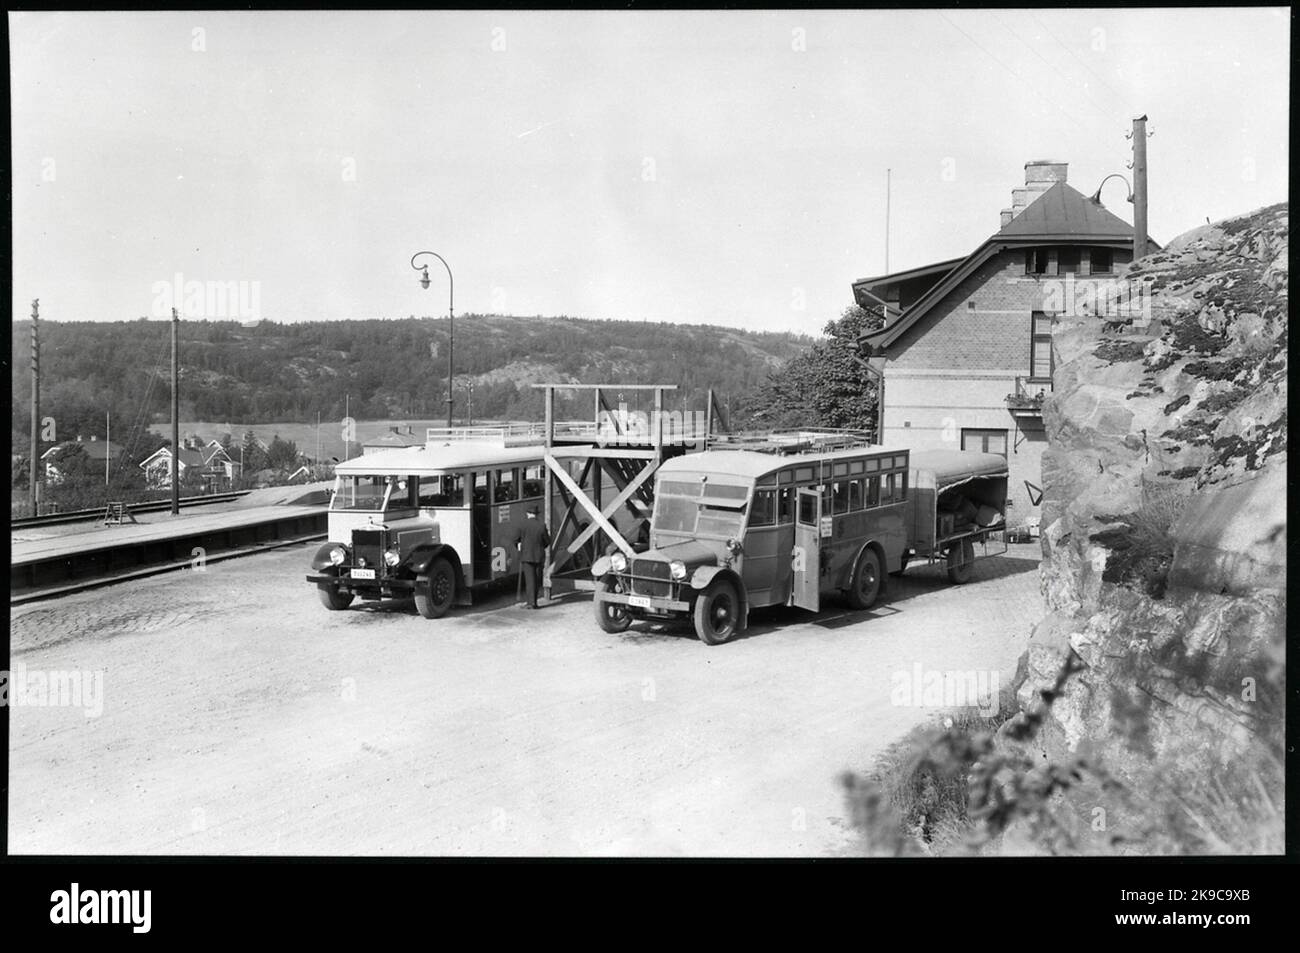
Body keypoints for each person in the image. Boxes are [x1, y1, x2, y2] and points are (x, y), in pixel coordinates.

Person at [513, 505, 550, 609]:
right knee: (537, 580)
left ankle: (531, 603)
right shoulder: (541, 525)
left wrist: (520, 547)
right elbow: (547, 542)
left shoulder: (522, 525)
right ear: (537, 514)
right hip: (539, 556)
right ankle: (534, 602)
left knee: (530, 580)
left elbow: (515, 540)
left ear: (528, 514)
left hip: (526, 556)